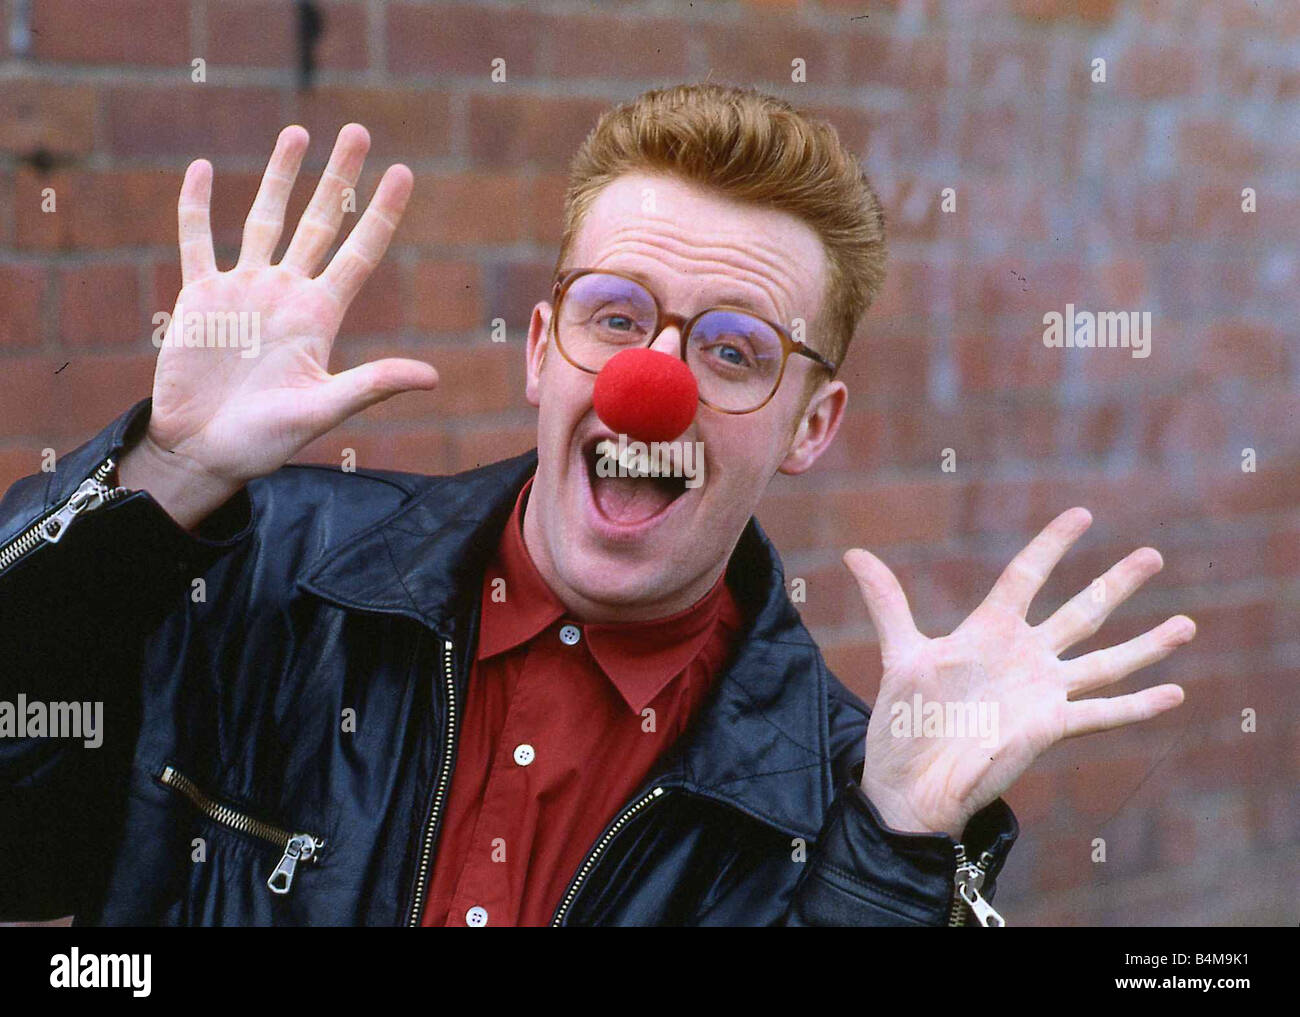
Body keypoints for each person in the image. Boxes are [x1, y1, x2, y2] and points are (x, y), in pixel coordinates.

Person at [0, 83, 1194, 926]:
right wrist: (165, 476)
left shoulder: (845, 796)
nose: (651, 388)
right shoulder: (247, 561)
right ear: (540, 351)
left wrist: (887, 856)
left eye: (733, 352)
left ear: (810, 424)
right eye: (616, 318)